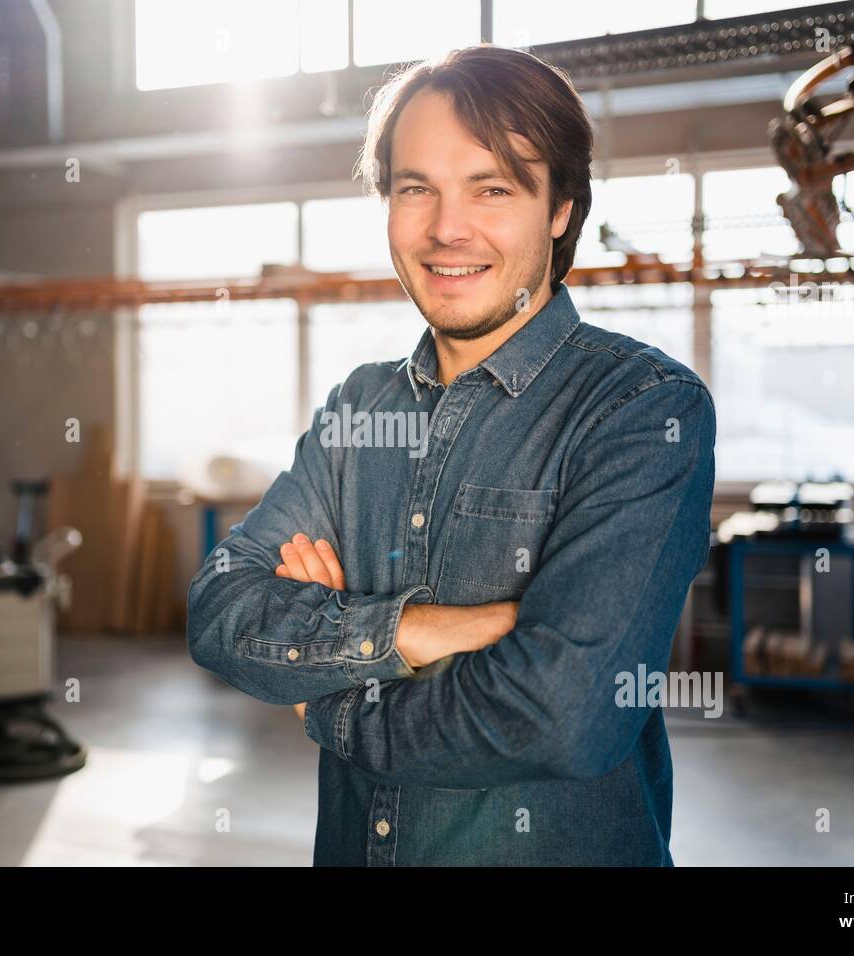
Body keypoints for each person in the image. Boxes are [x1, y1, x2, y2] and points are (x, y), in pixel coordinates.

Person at [187, 44, 715, 865]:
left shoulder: (643, 410)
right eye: (415, 188)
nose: (445, 228)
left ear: (561, 208)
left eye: (493, 187)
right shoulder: (360, 409)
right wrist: (419, 632)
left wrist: (329, 700)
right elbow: (219, 608)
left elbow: (566, 715)